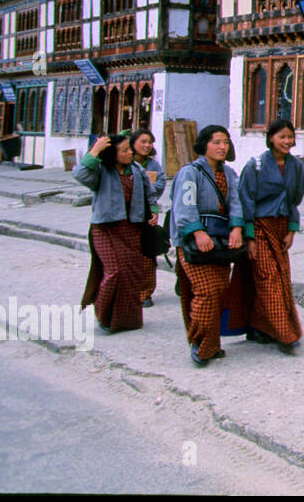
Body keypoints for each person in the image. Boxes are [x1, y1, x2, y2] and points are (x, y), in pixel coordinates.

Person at [170, 125, 244, 366]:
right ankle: (200, 345)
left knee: (218, 291)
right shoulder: (190, 173)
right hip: (195, 242)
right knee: (206, 291)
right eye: (216, 142)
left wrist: (236, 228)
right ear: (204, 145)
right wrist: (198, 231)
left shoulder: (230, 174)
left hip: (220, 242)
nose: (222, 147)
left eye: (225, 142)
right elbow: (184, 206)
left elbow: (236, 202)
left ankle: (210, 344)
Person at [72, 134, 158, 332]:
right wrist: (95, 150)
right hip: (105, 229)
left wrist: (153, 212)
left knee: (131, 275)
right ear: (113, 154)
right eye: (125, 150)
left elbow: (149, 194)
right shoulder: (101, 171)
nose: (130, 153)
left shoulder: (136, 170)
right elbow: (79, 174)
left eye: (129, 149)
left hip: (131, 229)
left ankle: (126, 320)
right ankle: (104, 313)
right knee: (114, 272)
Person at [238, 119, 304, 353]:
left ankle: (260, 326)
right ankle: (284, 333)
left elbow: (294, 200)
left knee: (281, 278)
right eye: (282, 137)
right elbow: (245, 200)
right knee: (268, 278)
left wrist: (291, 230)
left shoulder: (295, 166)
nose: (287, 141)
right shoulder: (255, 165)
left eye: (290, 137)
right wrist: (249, 237)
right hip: (258, 226)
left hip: (280, 227)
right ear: (271, 139)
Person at [129, 128, 166, 307]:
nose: (147, 145)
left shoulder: (153, 165)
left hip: (148, 212)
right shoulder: (125, 162)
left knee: (147, 254)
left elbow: (158, 186)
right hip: (127, 214)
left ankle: (145, 293)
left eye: (149, 142)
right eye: (143, 141)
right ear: (132, 143)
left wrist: (152, 210)